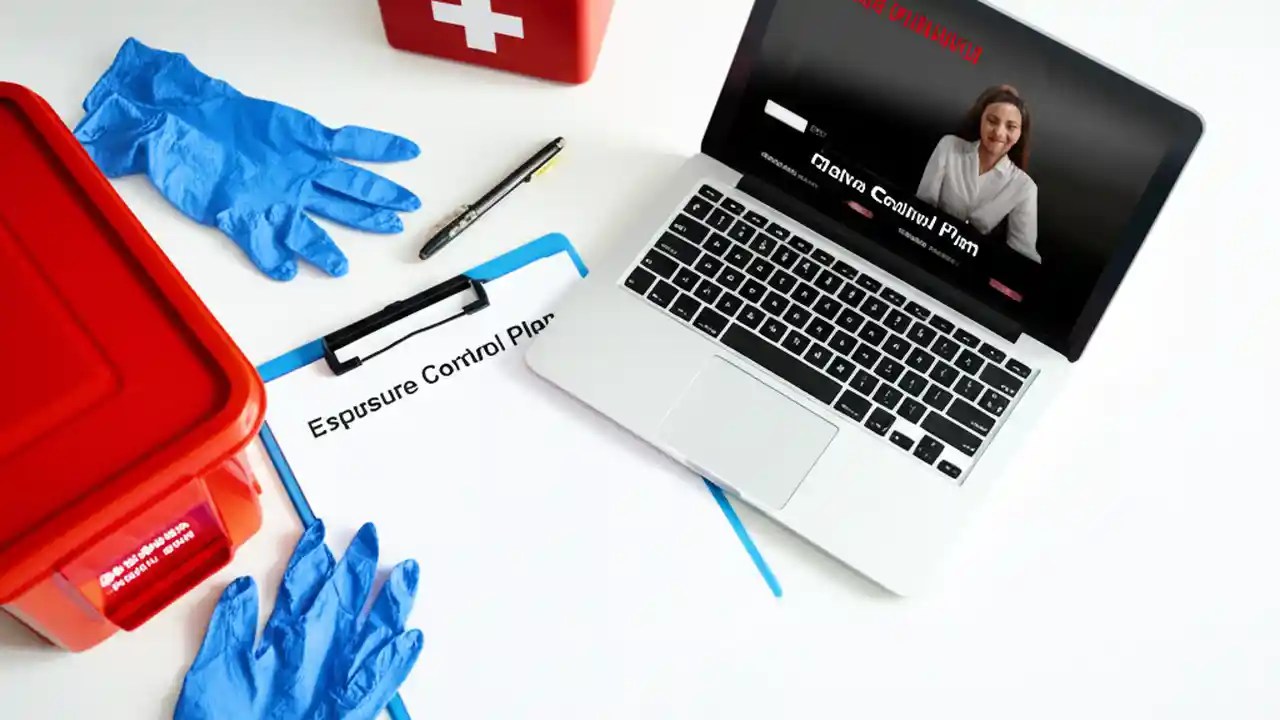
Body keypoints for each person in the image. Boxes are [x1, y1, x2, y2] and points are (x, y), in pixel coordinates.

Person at [917, 84, 1041, 263]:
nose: (999, 132)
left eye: (1011, 126)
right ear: (981, 120)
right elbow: (921, 207)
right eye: (992, 121)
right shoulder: (949, 146)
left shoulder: (1025, 187)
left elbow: (1023, 251)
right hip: (926, 246)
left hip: (972, 264)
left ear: (1020, 133)